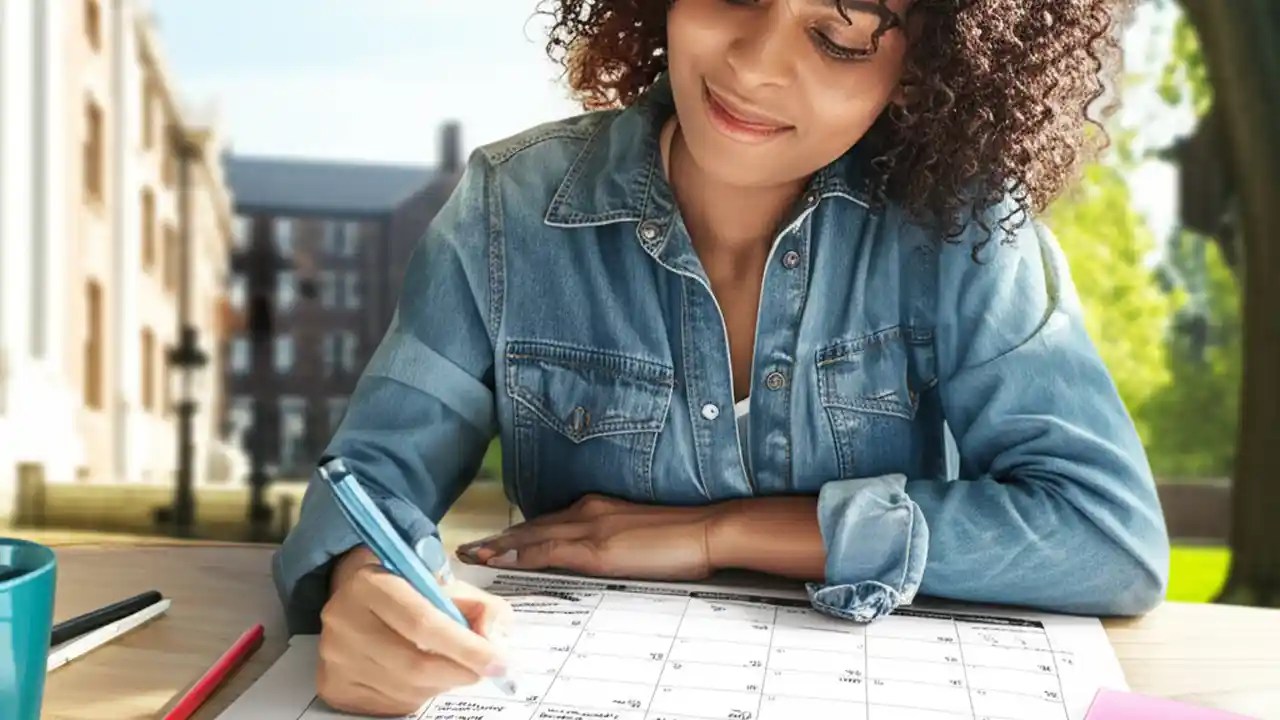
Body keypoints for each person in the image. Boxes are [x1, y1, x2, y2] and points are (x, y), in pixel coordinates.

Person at [273, 0, 1170, 714]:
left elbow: (1105, 535)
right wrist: (365, 585)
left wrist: (722, 536)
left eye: (839, 35)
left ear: (928, 66)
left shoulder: (965, 232)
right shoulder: (505, 213)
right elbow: (370, 480)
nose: (752, 63)